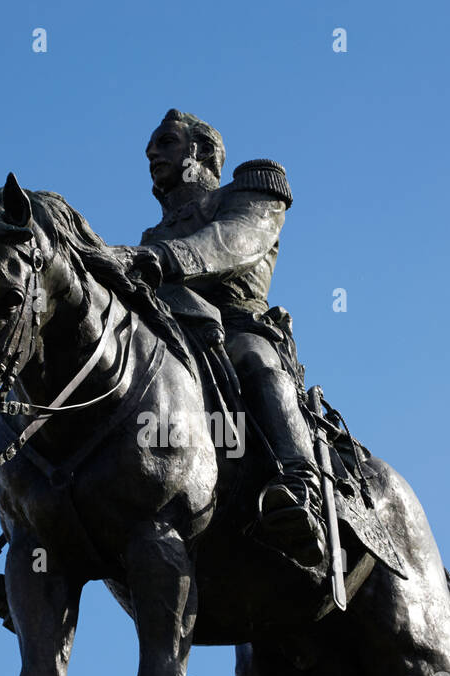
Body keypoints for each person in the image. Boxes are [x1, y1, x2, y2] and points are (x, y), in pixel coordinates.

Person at [116, 109, 324, 567]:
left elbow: (233, 240)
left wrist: (157, 258)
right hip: (171, 336)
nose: (152, 152)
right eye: (152, 145)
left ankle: (300, 484)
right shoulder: (154, 235)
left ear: (202, 152)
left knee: (252, 358)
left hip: (237, 325)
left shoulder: (252, 191)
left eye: (166, 141)